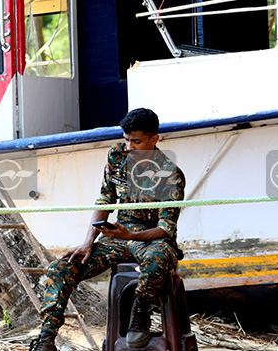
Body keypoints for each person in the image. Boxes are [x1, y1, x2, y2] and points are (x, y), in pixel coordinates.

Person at [30, 108, 186, 350]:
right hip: (117, 238)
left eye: (137, 141)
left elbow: (165, 229)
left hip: (150, 240)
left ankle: (140, 313)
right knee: (61, 267)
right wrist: (88, 242)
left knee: (159, 258)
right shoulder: (117, 156)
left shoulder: (171, 175)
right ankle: (46, 339)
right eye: (127, 139)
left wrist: (131, 235)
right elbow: (105, 200)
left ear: (154, 139)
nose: (129, 146)